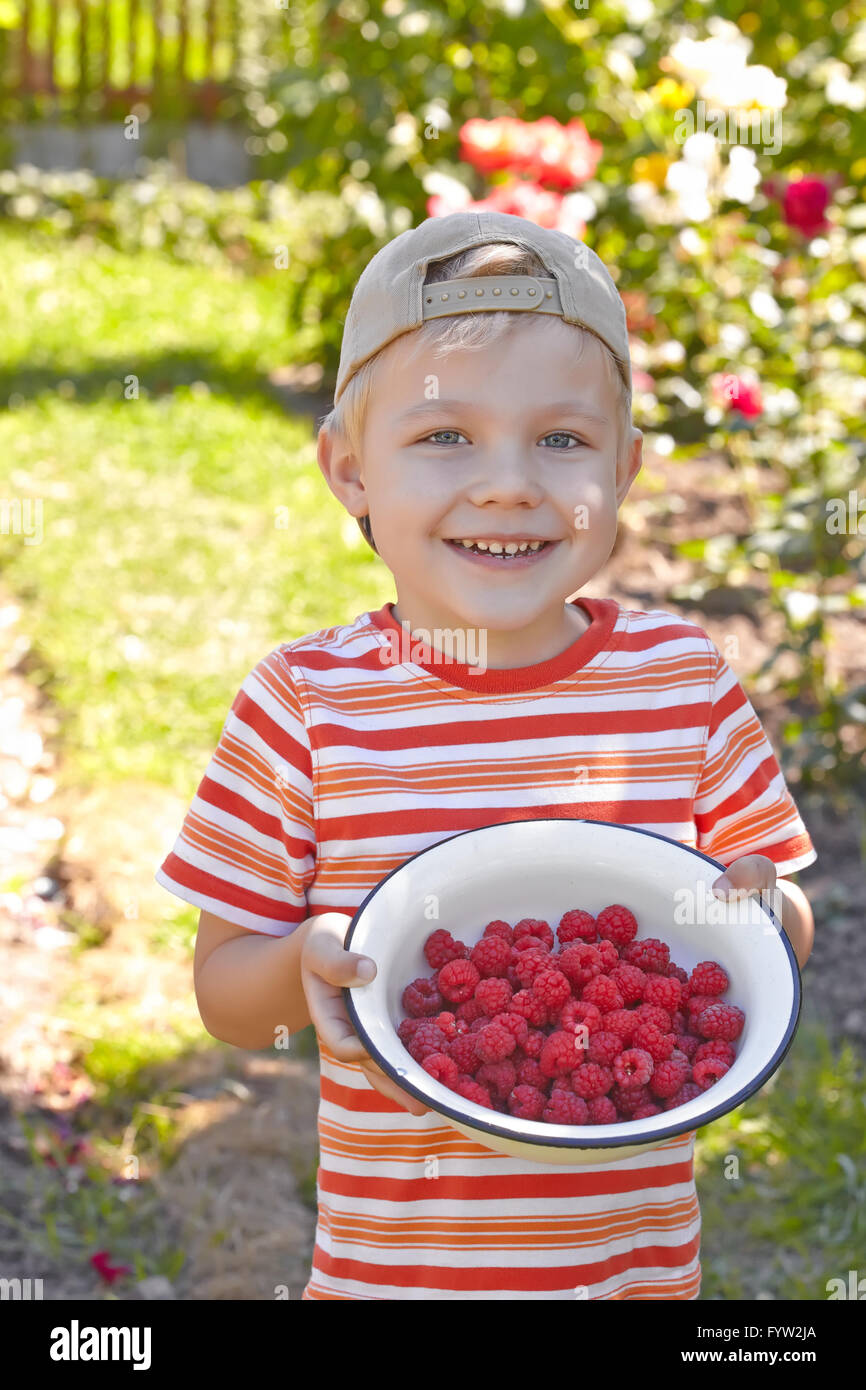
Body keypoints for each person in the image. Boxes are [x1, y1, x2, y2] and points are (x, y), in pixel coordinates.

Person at [155, 209, 816, 1300]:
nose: (508, 482)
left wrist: (763, 911)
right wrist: (304, 966)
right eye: (442, 436)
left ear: (626, 467)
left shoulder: (679, 684)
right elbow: (229, 998)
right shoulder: (304, 707)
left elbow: (773, 918)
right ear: (348, 469)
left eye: (560, 439)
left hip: (635, 1281)